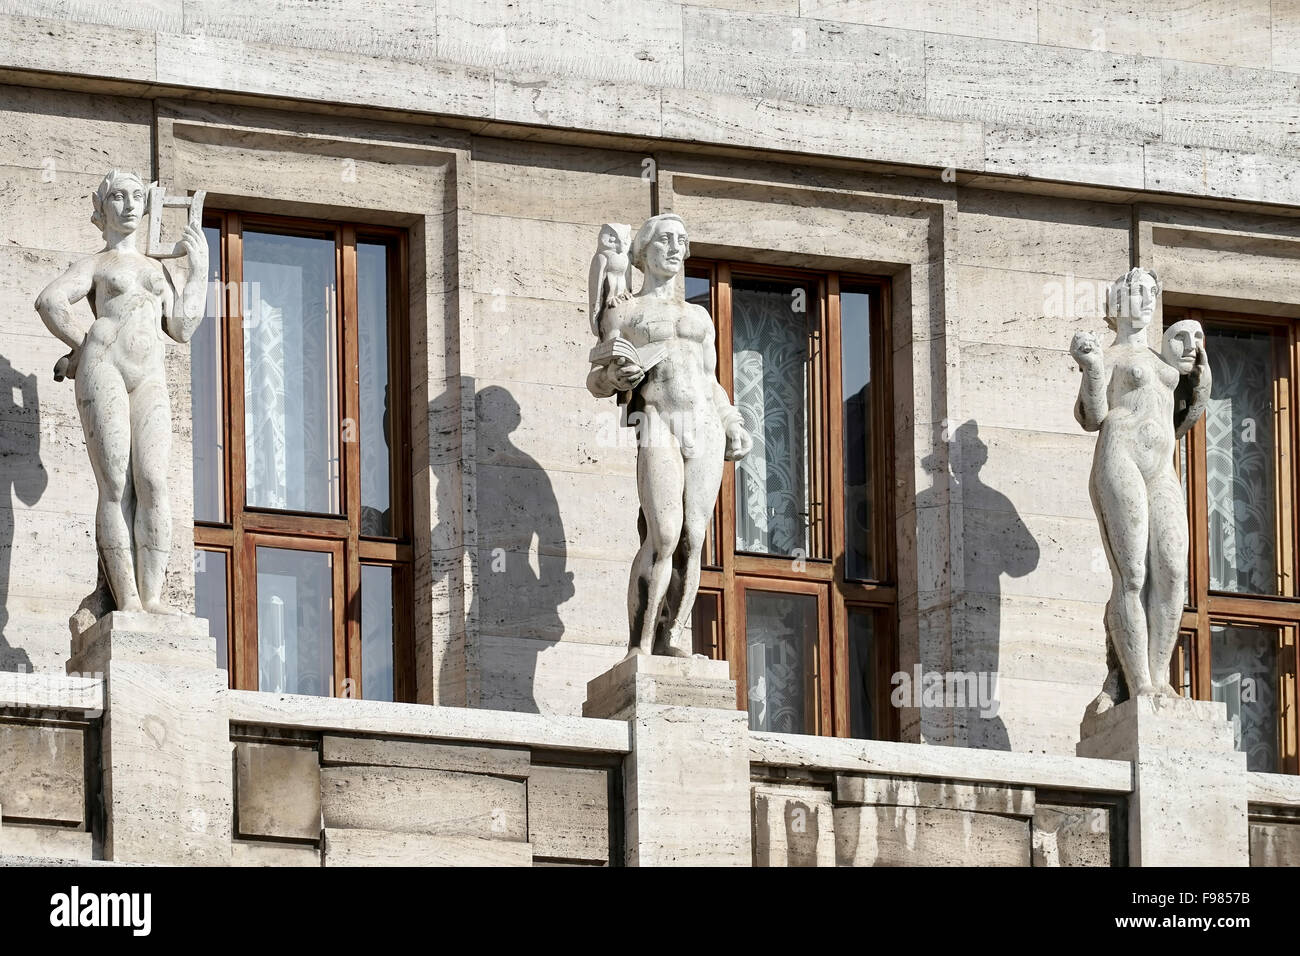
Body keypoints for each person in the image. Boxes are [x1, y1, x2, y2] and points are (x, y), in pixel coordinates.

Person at [35, 170, 208, 614]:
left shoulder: (157, 270)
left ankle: (152, 597)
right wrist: (84, 344)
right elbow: (50, 300)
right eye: (118, 197)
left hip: (149, 375)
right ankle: (128, 600)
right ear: (101, 209)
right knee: (115, 484)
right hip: (105, 370)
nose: (129, 205)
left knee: (152, 480)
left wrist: (200, 270)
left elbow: (182, 328)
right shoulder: (98, 264)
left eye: (136, 196)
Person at [587, 214, 752, 656]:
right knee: (663, 534)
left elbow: (710, 379)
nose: (676, 248)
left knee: (694, 538)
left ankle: (672, 638)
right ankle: (639, 646)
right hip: (658, 423)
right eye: (665, 240)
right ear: (643, 251)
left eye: (682, 240)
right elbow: (598, 380)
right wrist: (618, 377)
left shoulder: (699, 315)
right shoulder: (626, 308)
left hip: (706, 425)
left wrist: (732, 419)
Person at [1071, 267, 1210, 713]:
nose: (1146, 299)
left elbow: (1183, 419)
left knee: (1172, 572)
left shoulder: (1164, 358)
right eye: (1135, 292)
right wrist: (1091, 367)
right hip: (1120, 457)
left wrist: (1199, 378)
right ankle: (1141, 683)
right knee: (1132, 575)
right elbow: (1093, 416)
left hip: (1161, 468)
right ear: (1116, 303)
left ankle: (1161, 675)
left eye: (1151, 291)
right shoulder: (1111, 355)